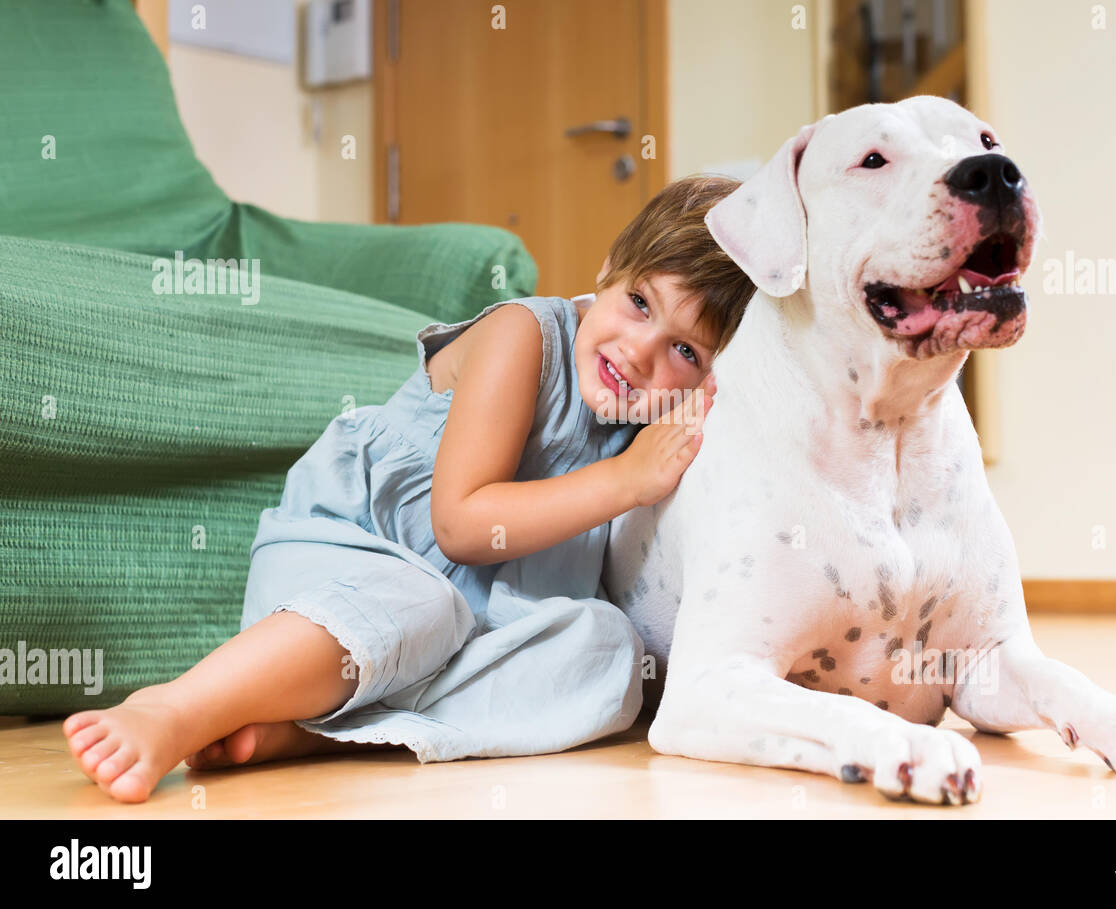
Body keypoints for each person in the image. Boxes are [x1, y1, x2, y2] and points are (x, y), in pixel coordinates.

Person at [61, 175, 756, 803]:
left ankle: (327, 733)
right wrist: (624, 480)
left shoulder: (644, 425)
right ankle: (178, 707)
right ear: (607, 270)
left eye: (685, 351)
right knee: (424, 600)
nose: (641, 351)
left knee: (607, 651)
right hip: (340, 576)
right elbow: (460, 525)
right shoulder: (525, 337)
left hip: (461, 633)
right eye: (639, 303)